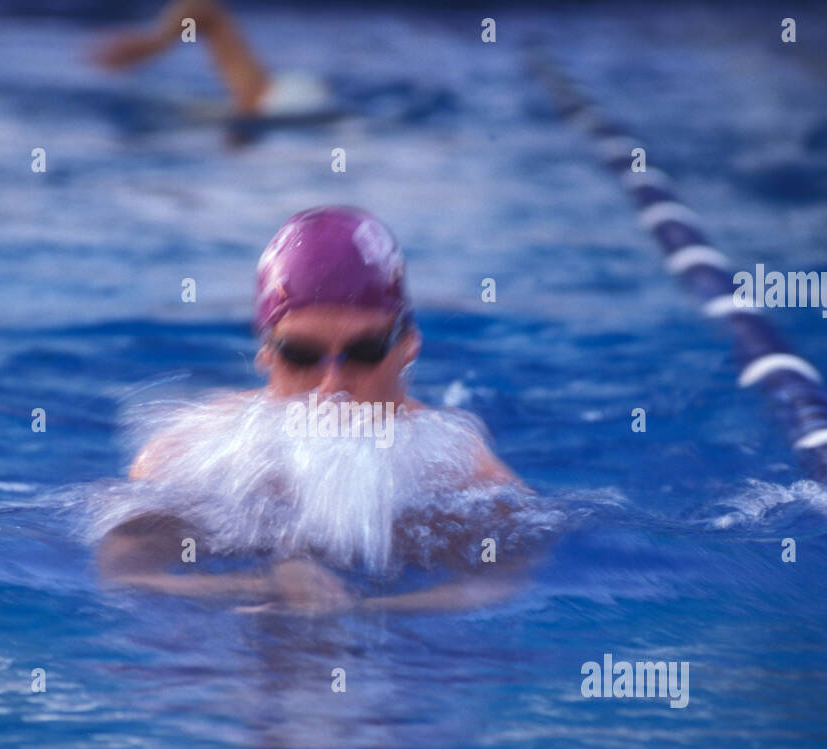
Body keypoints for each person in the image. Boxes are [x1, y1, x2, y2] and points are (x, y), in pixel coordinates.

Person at [97, 206, 531, 614]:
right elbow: (124, 576)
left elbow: (506, 583)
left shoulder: (465, 474)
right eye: (302, 355)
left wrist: (363, 612)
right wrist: (264, 586)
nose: (331, 387)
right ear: (266, 355)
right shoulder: (183, 457)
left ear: (407, 347)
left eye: (365, 351)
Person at [91, 0, 331, 120]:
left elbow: (204, 9)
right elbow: (205, 10)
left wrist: (154, 43)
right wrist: (155, 43)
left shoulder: (269, 102)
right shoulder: (273, 101)